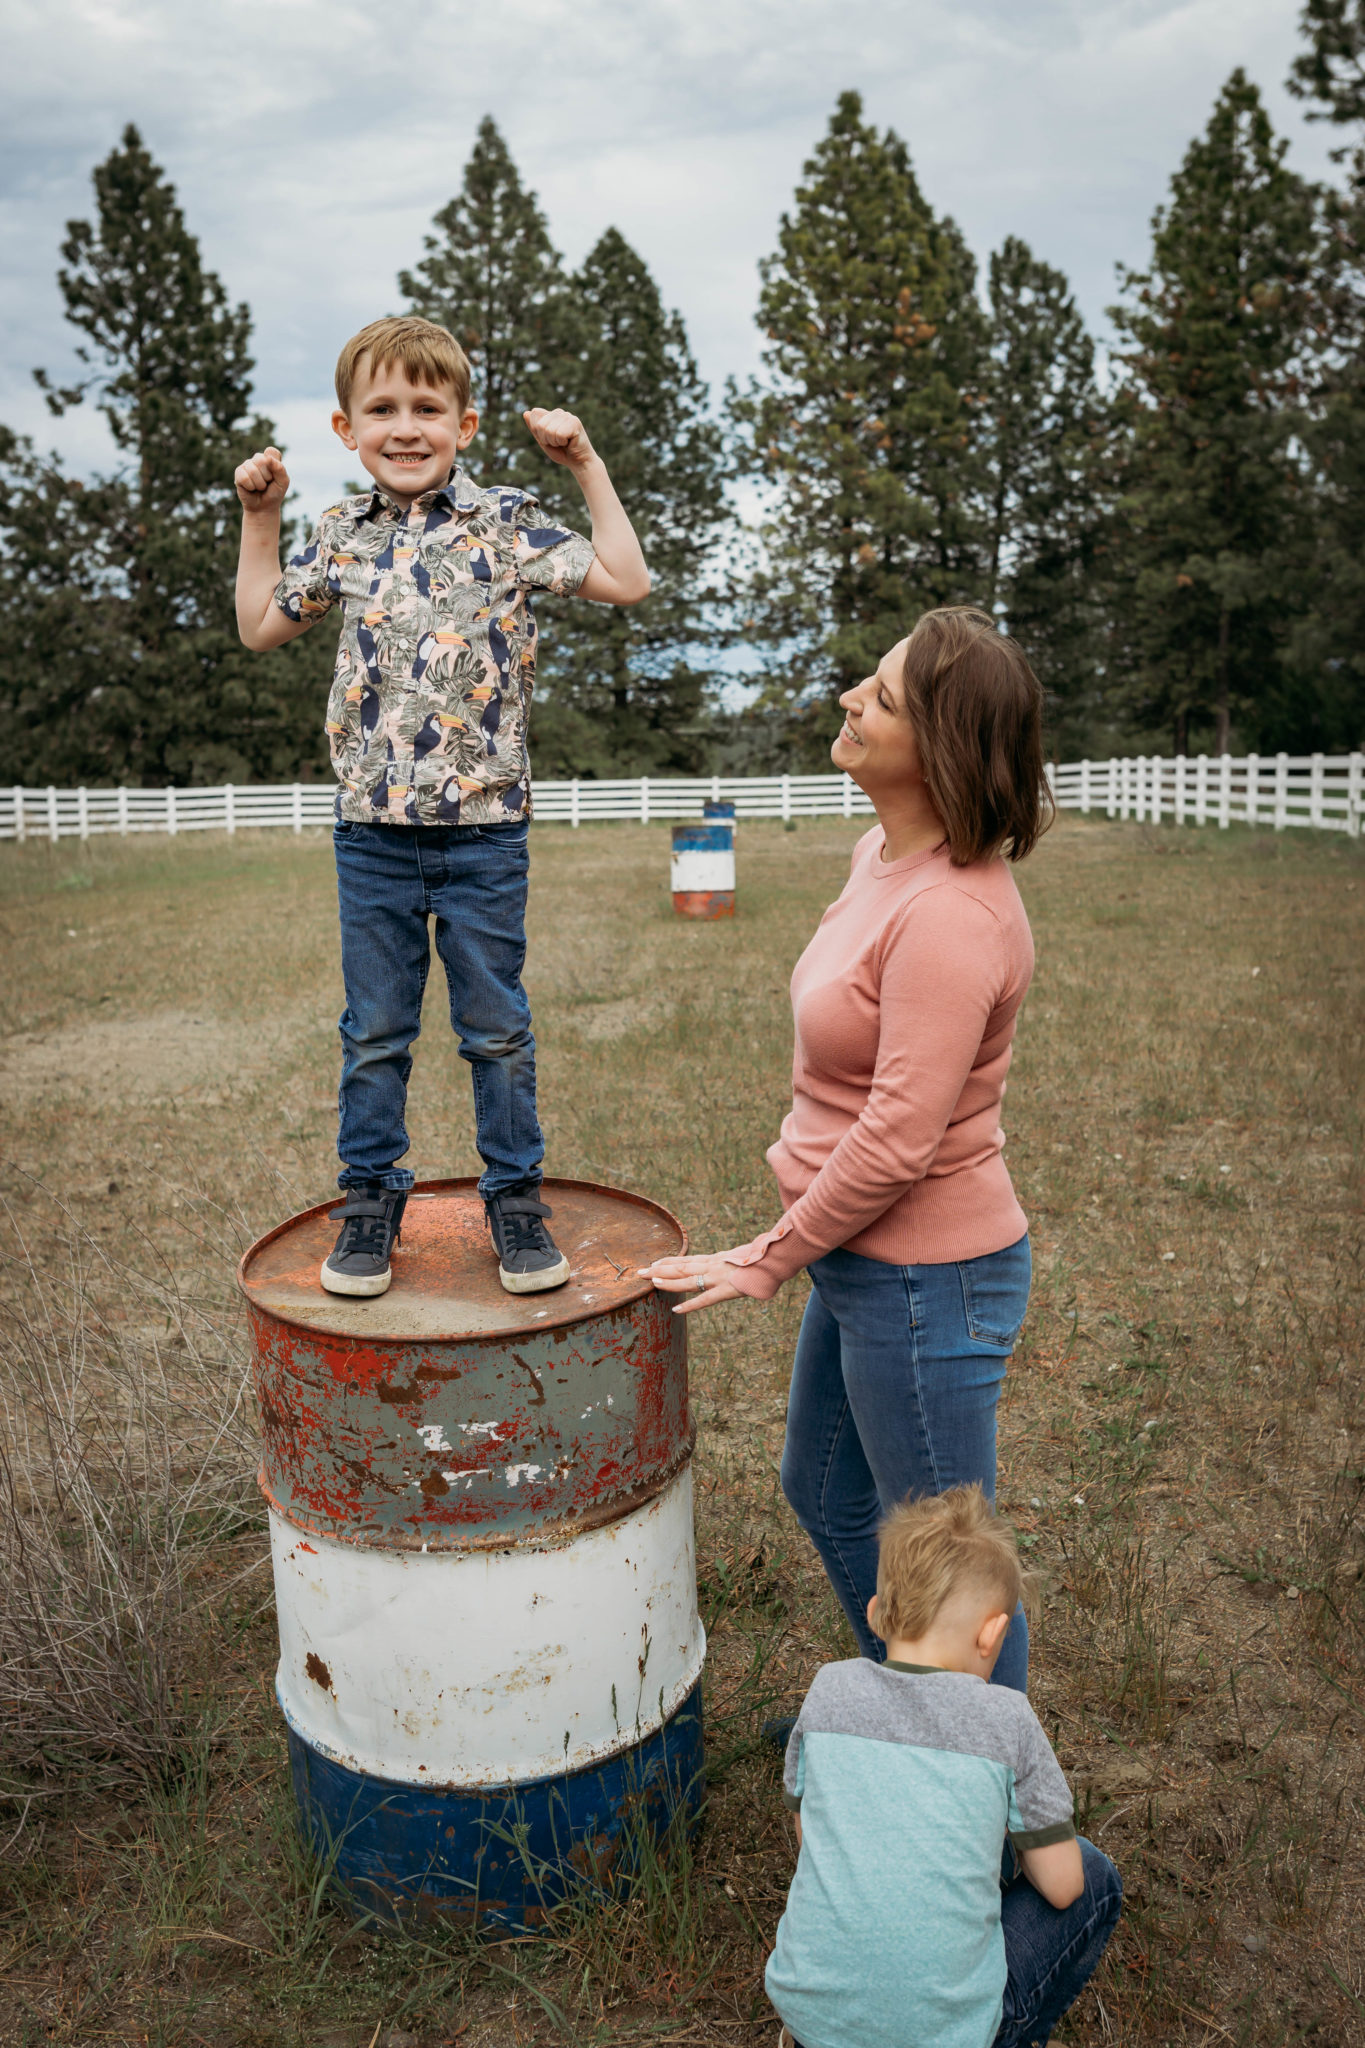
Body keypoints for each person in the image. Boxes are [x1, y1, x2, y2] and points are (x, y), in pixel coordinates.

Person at [645, 608, 1048, 1692]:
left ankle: (1007, 1829)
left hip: (926, 1277)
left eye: (879, 696)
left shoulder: (954, 917)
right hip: (866, 1264)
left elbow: (898, 1142)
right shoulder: (880, 854)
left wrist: (763, 1255)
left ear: (942, 748)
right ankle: (911, 1728)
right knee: (826, 1489)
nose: (847, 700)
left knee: (953, 1574)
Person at [234, 315, 649, 1298]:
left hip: (484, 839)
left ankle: (515, 1202)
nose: (406, 426)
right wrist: (262, 515)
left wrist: (584, 460)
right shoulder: (340, 535)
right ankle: (371, 1202)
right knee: (375, 1033)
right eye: (383, 408)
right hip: (371, 839)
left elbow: (627, 579)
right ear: (346, 426)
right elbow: (259, 626)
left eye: (428, 408)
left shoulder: (503, 523)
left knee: (496, 1031)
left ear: (466, 423)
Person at [768, 1485, 1121, 2048]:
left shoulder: (828, 1691)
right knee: (1094, 1873)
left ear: (878, 1614)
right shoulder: (1008, 1720)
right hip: (944, 2035)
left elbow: (811, 1836)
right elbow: (1062, 1887)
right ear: (993, 1634)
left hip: (811, 2015)